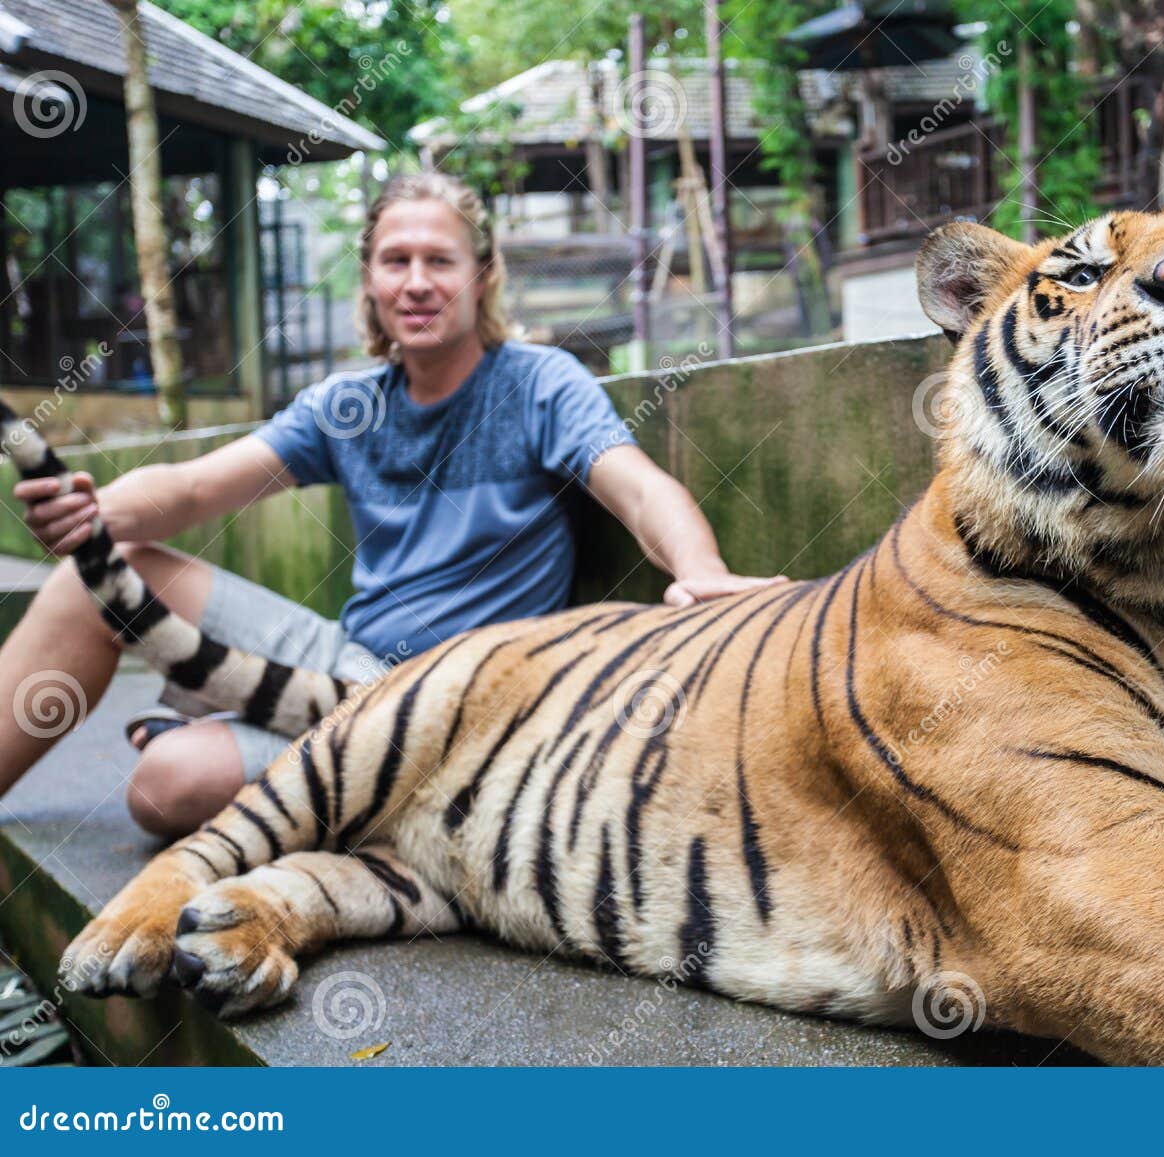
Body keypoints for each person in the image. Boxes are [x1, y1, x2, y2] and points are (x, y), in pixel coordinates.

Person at [0, 172, 781, 838]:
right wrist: (90, 511)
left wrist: (700, 570)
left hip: (454, 710)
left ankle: (246, 736)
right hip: (342, 657)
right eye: (394, 260)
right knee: (95, 578)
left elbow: (639, 487)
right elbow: (198, 487)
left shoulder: (541, 384)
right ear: (370, 281)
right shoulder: (346, 404)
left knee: (162, 785)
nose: (415, 281)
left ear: (482, 275)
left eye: (438, 260)